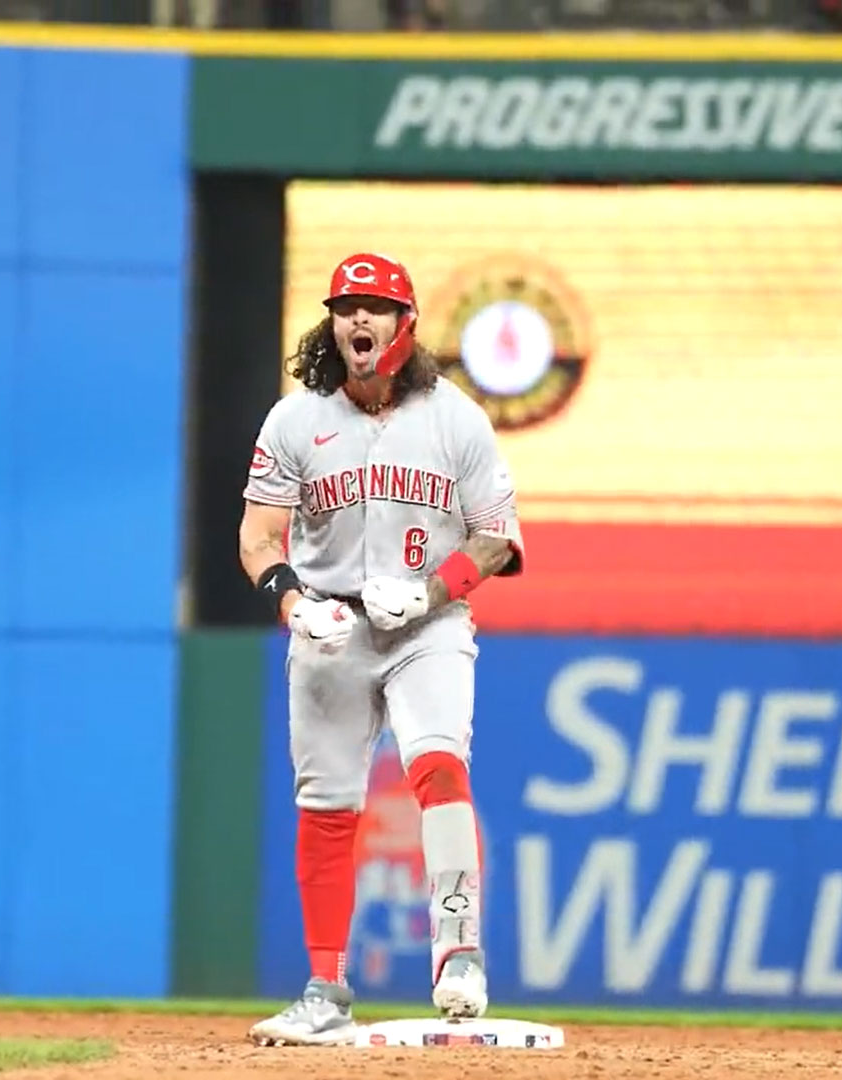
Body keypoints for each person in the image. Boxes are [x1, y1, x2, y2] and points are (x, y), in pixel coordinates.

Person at [238, 252, 524, 1046]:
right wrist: (293, 602)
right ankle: (326, 990)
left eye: (376, 306)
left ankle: (457, 953)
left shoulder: (454, 417)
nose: (358, 319)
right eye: (346, 306)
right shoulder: (295, 420)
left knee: (438, 765)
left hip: (426, 626)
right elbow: (258, 538)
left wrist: (432, 592)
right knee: (327, 806)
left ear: (407, 325)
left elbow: (497, 540)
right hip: (331, 624)